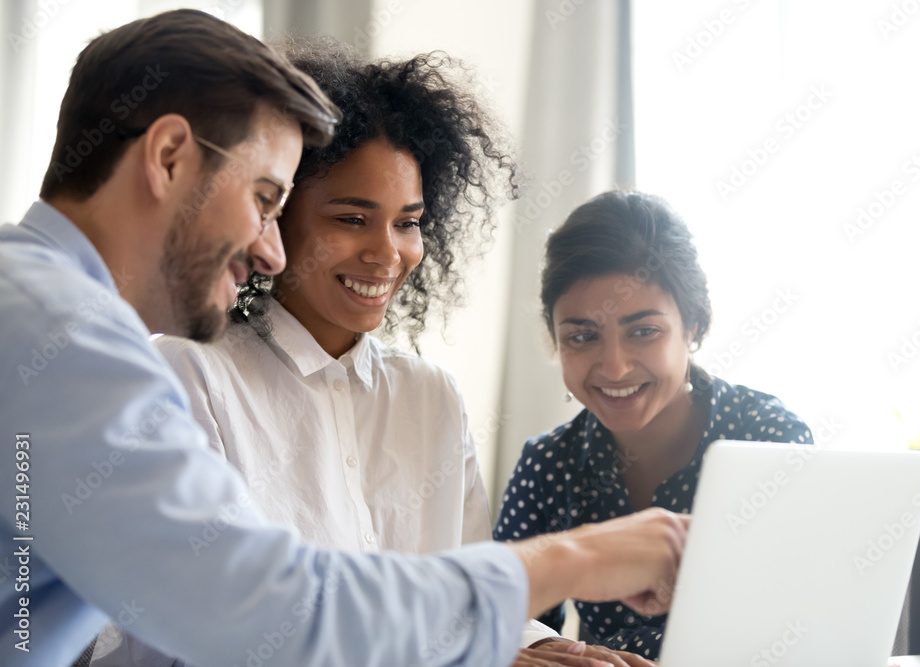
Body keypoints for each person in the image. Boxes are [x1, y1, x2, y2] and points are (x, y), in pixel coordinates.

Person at [0, 12, 687, 666]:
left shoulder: (38, 307)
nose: (269, 251)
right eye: (267, 199)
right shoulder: (63, 336)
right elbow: (270, 610)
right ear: (170, 156)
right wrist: (580, 559)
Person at [494, 190, 813, 660]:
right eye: (582, 337)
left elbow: (802, 621)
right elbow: (504, 614)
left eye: (643, 331)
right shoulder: (548, 463)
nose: (616, 367)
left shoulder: (768, 439)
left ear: (694, 326)